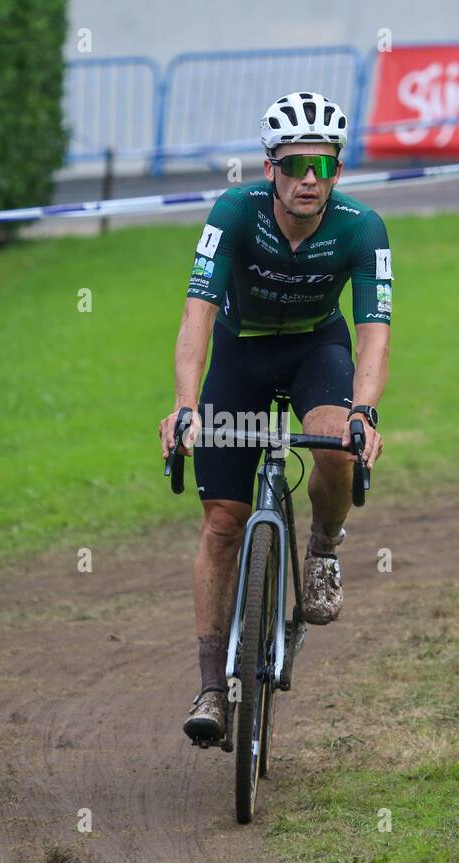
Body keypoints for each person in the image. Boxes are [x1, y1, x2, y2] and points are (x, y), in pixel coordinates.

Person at [157, 91, 391, 745]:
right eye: (294, 166)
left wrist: (364, 412)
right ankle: (212, 687)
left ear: (338, 171)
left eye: (322, 166)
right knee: (222, 522)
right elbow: (197, 314)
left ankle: (323, 548)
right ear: (270, 170)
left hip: (318, 349)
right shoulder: (233, 213)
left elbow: (374, 331)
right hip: (242, 353)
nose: (308, 180)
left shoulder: (361, 227)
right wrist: (183, 406)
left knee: (336, 448)